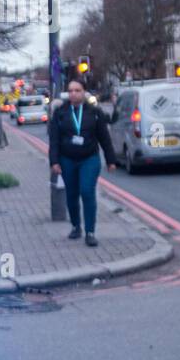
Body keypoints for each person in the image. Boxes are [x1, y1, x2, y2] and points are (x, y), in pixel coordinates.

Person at [49, 79, 116, 247]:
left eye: (77, 90)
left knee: (87, 191)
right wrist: (54, 161)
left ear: (84, 92)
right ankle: (75, 226)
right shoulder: (60, 113)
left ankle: (90, 232)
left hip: (89, 158)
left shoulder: (94, 112)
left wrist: (110, 160)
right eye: (70, 90)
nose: (73, 93)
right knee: (71, 195)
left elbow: (104, 138)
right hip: (67, 159)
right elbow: (54, 140)